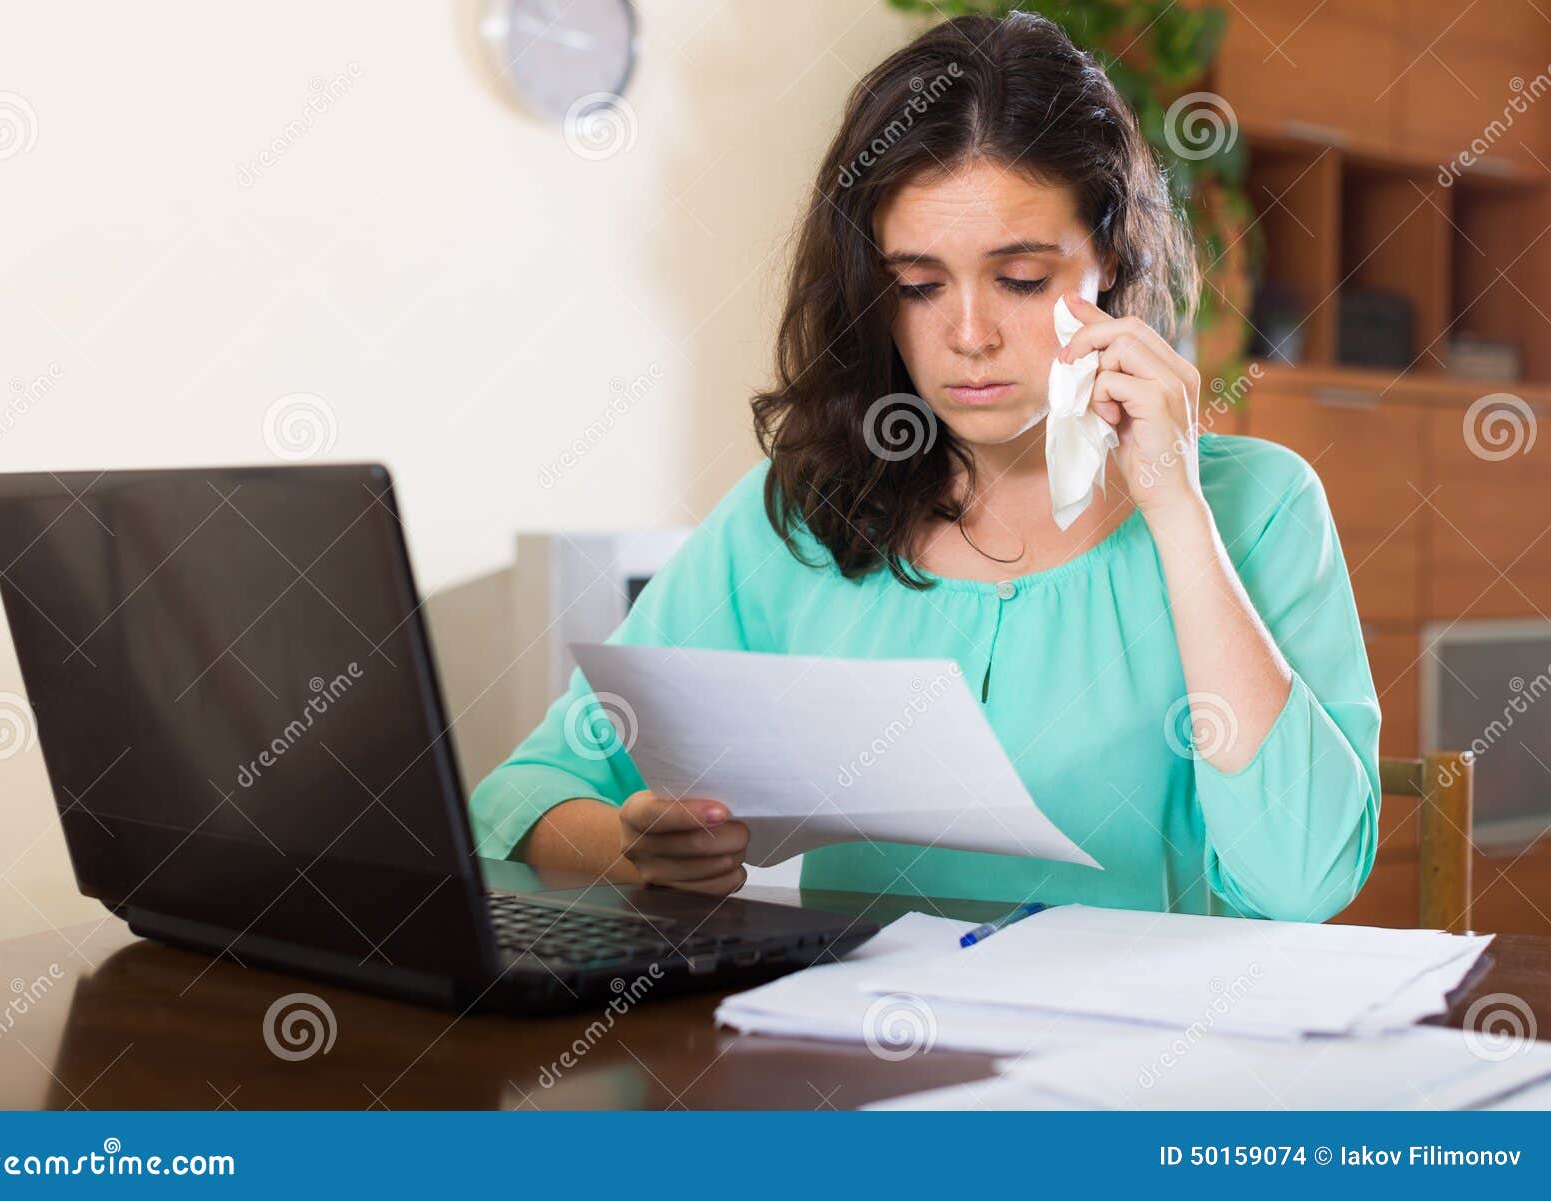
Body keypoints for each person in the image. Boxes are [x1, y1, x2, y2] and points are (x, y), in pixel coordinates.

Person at [469, 11, 1380, 922]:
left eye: (1020, 279)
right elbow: (521, 796)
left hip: (1152, 1057)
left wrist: (1177, 511)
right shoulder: (798, 519)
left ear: (1109, 257)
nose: (969, 336)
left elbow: (1305, 881)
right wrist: (633, 847)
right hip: (855, 1057)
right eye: (917, 285)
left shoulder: (1257, 505)